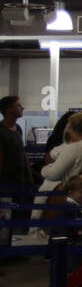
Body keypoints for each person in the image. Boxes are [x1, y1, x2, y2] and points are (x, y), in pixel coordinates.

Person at [0, 95, 33, 248]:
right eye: (18, 105)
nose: (22, 108)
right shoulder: (1, 132)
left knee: (15, 217)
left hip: (20, 182)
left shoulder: (18, 129)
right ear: (9, 109)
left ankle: (10, 248)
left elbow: (23, 153)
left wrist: (29, 175)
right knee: (5, 218)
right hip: (6, 183)